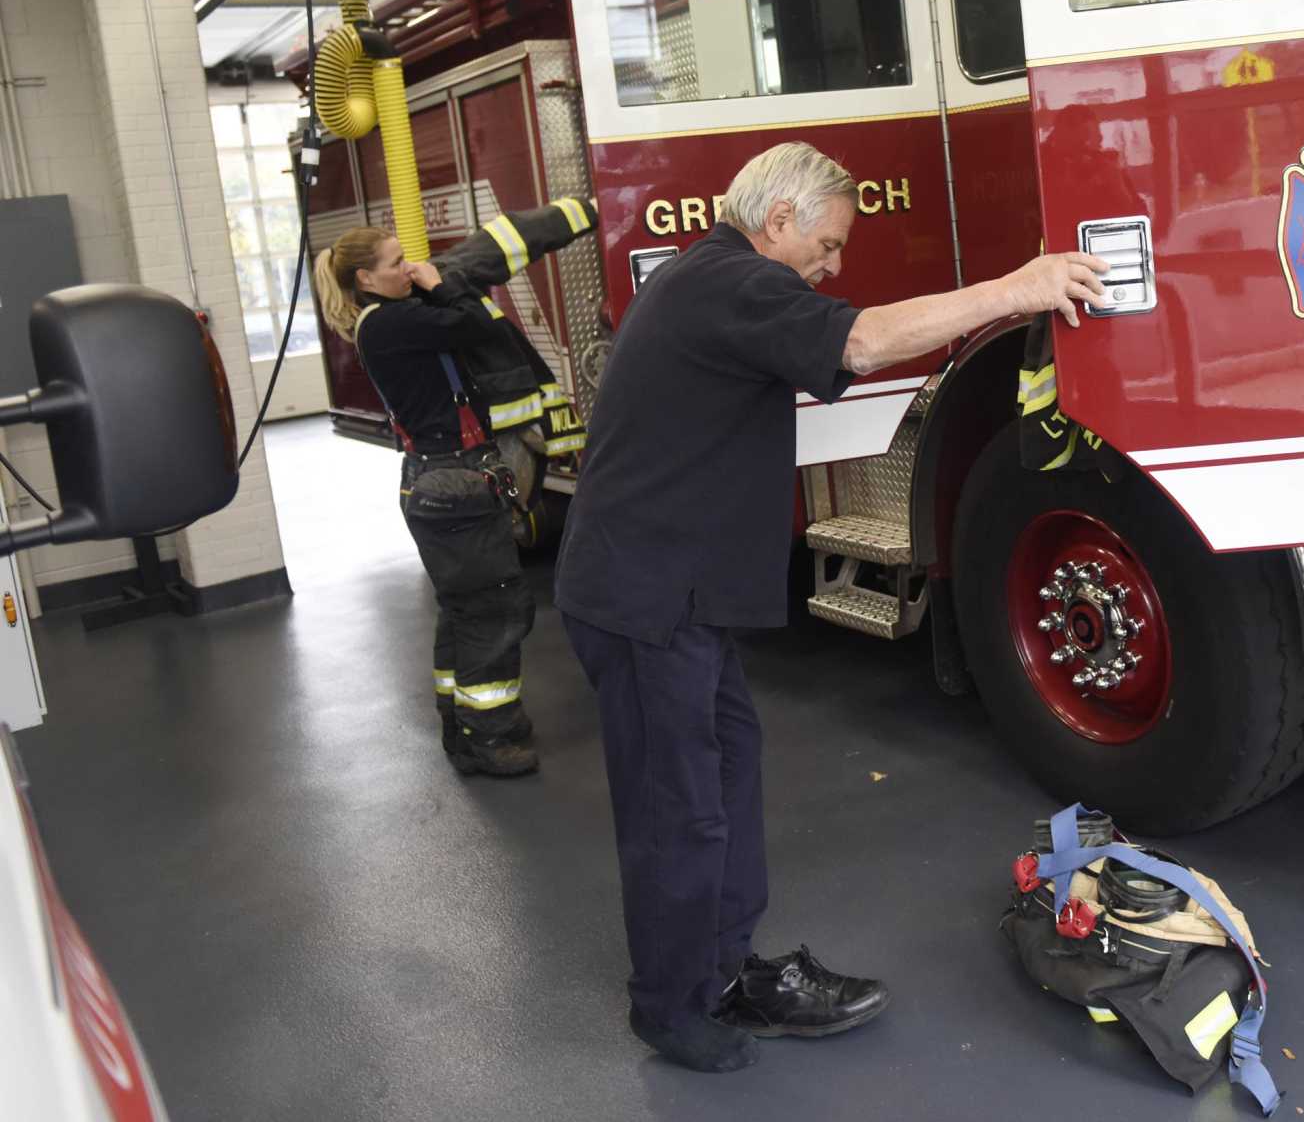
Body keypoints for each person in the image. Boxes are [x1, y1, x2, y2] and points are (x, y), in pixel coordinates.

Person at [555, 141, 1107, 1074]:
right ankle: (674, 1005)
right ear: (778, 222)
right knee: (678, 805)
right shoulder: (726, 283)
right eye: (828, 244)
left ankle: (724, 967)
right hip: (645, 599)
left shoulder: (716, 280)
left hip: (671, 595)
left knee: (725, 769)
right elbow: (859, 339)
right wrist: (1019, 288)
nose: (834, 265)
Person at [312, 227, 540, 778]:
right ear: (365, 278)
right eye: (396, 263)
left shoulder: (384, 320)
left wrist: (424, 286)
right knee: (493, 608)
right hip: (454, 480)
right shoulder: (394, 321)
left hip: (436, 479)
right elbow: (481, 324)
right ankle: (491, 735)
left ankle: (459, 721)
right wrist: (442, 284)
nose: (409, 268)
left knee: (463, 607)